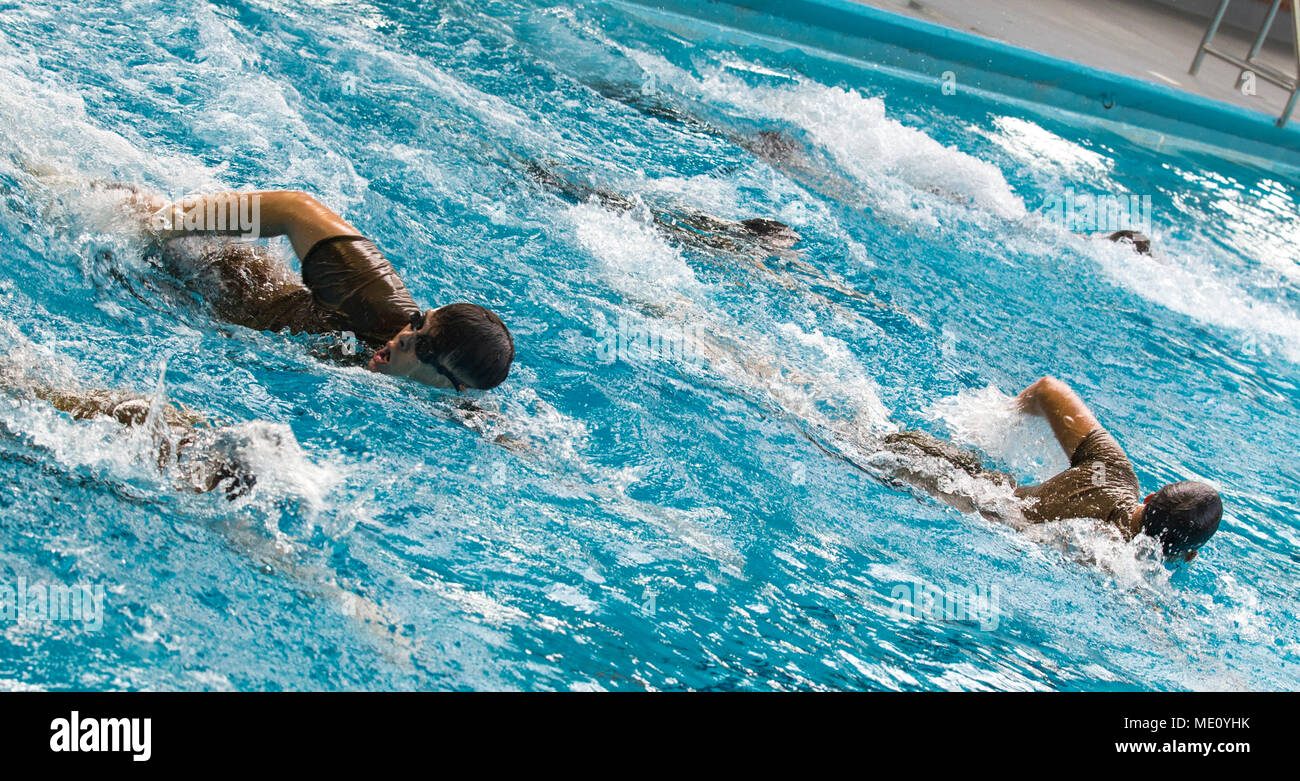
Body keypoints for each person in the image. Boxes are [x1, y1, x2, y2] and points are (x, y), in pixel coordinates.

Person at [90, 182, 515, 391]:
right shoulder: (374, 300)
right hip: (209, 278)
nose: (404, 337)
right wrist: (163, 227)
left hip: (218, 327)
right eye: (418, 323)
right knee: (113, 212)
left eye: (423, 347)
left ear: (452, 387)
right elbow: (295, 208)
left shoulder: (455, 402)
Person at [877, 375, 1222, 563]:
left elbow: (1047, 389)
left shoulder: (1111, 471)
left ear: (1148, 496)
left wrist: (1000, 423)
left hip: (952, 475)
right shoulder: (1123, 569)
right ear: (1188, 555)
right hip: (950, 513)